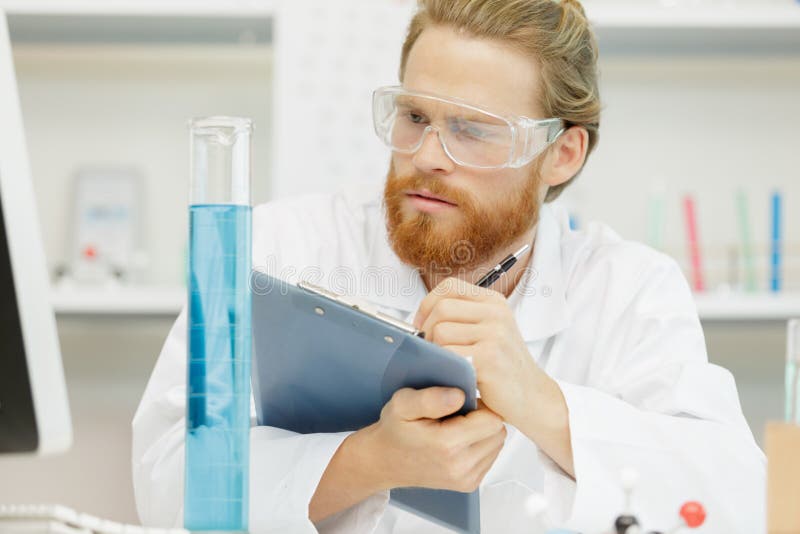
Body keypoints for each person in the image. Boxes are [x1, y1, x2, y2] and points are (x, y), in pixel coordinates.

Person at [132, 0, 765, 532]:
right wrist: (368, 461)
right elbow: (165, 479)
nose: (428, 155)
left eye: (473, 129)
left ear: (563, 154)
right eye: (414, 117)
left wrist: (542, 403)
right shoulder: (278, 246)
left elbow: (738, 500)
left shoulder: (628, 290)